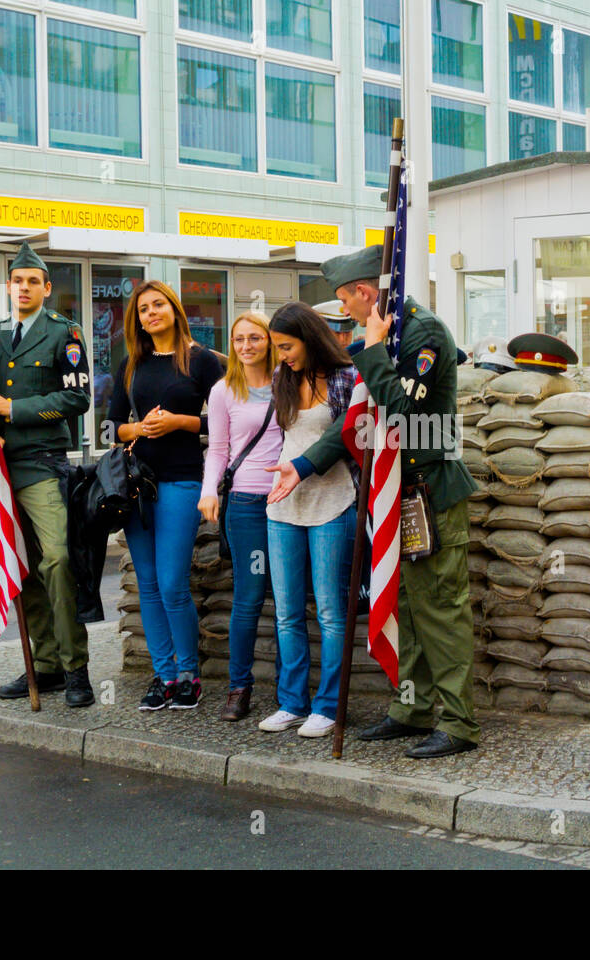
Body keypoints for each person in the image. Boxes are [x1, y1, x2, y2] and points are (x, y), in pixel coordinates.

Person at [269, 246, 480, 759]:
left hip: (428, 489)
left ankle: (458, 723)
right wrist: (301, 466)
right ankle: (411, 708)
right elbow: (359, 422)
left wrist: (372, 349)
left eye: (347, 300)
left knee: (441, 608)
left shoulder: (421, 334)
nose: (348, 313)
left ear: (365, 292)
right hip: (394, 494)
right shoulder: (388, 338)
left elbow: (404, 409)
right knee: (405, 604)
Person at [0, 243, 94, 706]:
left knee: (56, 561)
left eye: (33, 281)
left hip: (43, 466)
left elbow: (77, 400)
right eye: (17, 280)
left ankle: (76, 670)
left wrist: (15, 409)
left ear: (46, 289)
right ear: (8, 287)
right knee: (23, 568)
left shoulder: (64, 334)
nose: (24, 287)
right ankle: (44, 665)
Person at [107, 280, 223, 711]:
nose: (150, 313)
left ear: (174, 310)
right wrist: (137, 429)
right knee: (149, 584)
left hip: (180, 480)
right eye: (142, 309)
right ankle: (164, 675)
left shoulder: (201, 361)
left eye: (158, 305)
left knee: (174, 583)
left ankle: (189, 675)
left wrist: (179, 422)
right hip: (137, 485)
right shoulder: (131, 365)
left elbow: (225, 423)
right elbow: (115, 424)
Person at [258, 302, 359, 738]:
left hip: (333, 502)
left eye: (286, 346)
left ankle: (329, 706)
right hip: (283, 505)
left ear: (308, 336)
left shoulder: (346, 378)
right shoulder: (283, 377)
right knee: (287, 613)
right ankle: (293, 702)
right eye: (278, 348)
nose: (282, 355)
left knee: (332, 613)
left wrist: (303, 467)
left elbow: (349, 439)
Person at [198, 312, 283, 721]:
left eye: (255, 338)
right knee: (249, 598)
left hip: (289, 501)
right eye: (239, 339)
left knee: (288, 598)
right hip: (247, 503)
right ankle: (239, 688)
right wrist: (208, 491)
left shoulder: (290, 383)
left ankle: (291, 692)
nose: (247, 346)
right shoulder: (223, 390)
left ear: (269, 341)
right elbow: (217, 449)